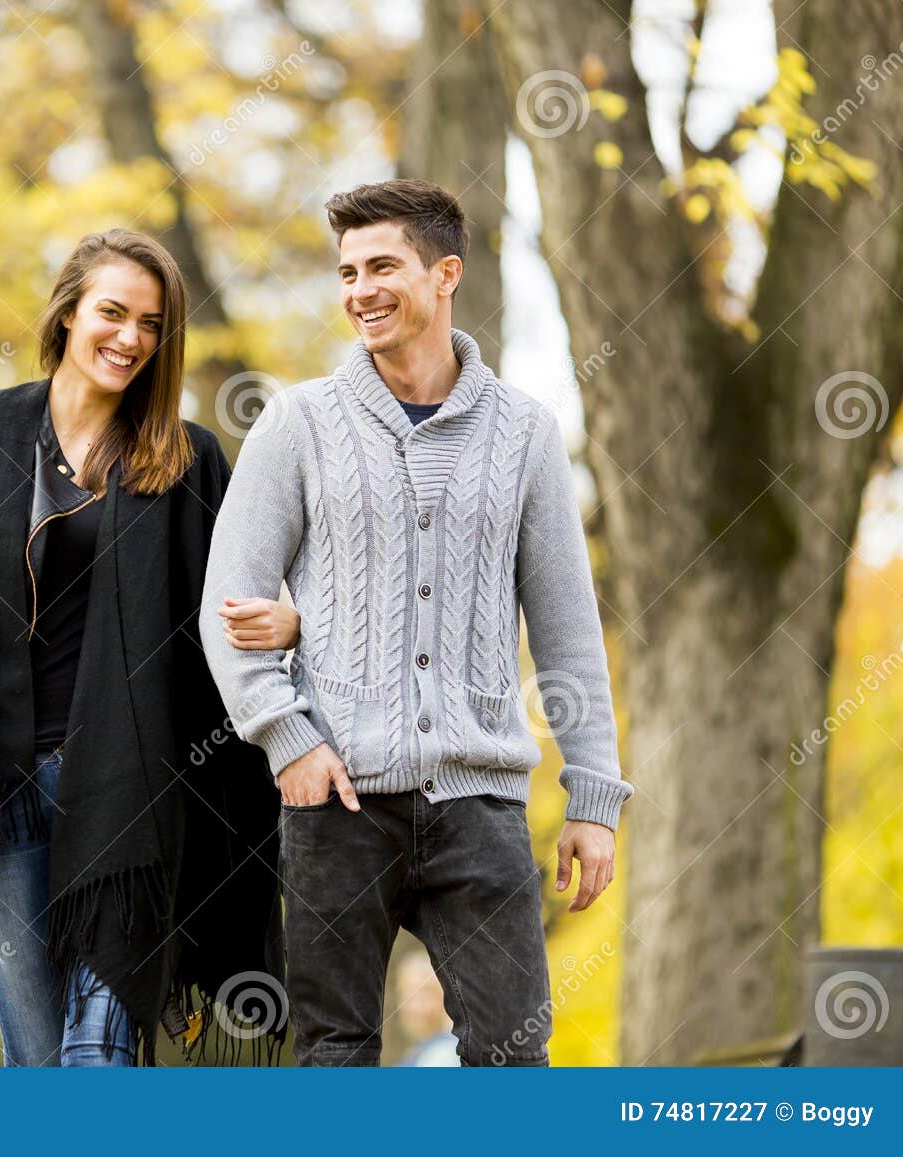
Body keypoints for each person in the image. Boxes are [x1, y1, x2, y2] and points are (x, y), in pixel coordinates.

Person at [200, 178, 634, 1066]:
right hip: (335, 798)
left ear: (445, 274)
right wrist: (287, 736)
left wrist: (594, 793)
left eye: (382, 265)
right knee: (335, 1051)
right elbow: (227, 604)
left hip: (481, 801)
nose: (360, 288)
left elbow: (566, 629)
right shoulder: (298, 423)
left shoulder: (524, 431)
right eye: (347, 271)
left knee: (514, 1055)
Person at [0, 228, 294, 1066]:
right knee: (38, 1055)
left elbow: (241, 612)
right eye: (112, 312)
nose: (130, 337)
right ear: (67, 314)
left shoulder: (188, 462)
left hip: (128, 794)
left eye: (152, 324)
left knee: (97, 1053)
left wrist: (295, 624)